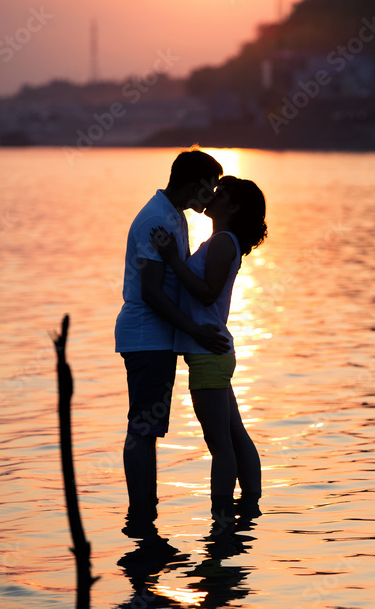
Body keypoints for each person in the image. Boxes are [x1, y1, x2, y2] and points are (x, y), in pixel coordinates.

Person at [115, 149, 229, 526]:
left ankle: (145, 510)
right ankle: (141, 514)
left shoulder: (175, 216)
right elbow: (150, 291)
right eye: (209, 187)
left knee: (148, 429)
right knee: (143, 427)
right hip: (147, 336)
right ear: (193, 185)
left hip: (159, 338)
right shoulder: (157, 219)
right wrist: (195, 330)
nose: (211, 196)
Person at [150, 175, 266, 523]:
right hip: (213, 352)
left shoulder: (222, 243)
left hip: (208, 354)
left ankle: (221, 519)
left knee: (219, 443)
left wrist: (172, 258)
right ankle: (250, 507)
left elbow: (206, 293)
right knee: (234, 434)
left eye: (221, 193)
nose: (212, 195)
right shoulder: (219, 241)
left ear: (234, 207)